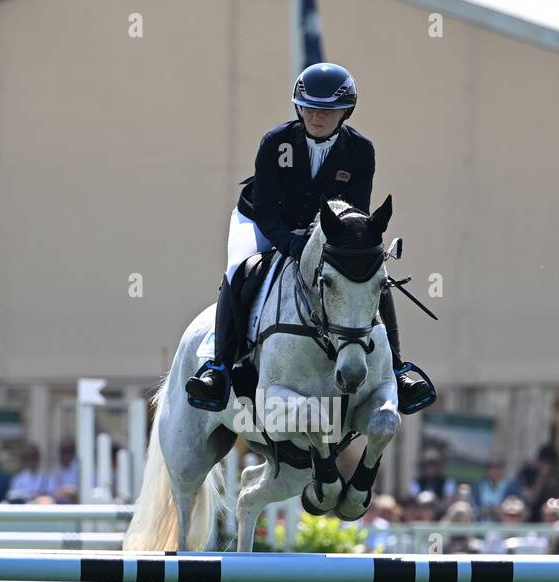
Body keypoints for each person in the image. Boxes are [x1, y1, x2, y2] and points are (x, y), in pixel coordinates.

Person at [185, 62, 434, 415]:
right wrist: (291, 243)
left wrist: (335, 246)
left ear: (345, 112)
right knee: (240, 268)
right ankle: (218, 368)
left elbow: (355, 214)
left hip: (327, 230)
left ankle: (398, 368)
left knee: (371, 274)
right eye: (308, 107)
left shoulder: (361, 150)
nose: (315, 116)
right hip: (263, 221)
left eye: (326, 109)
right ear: (298, 107)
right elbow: (267, 210)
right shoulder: (276, 142)